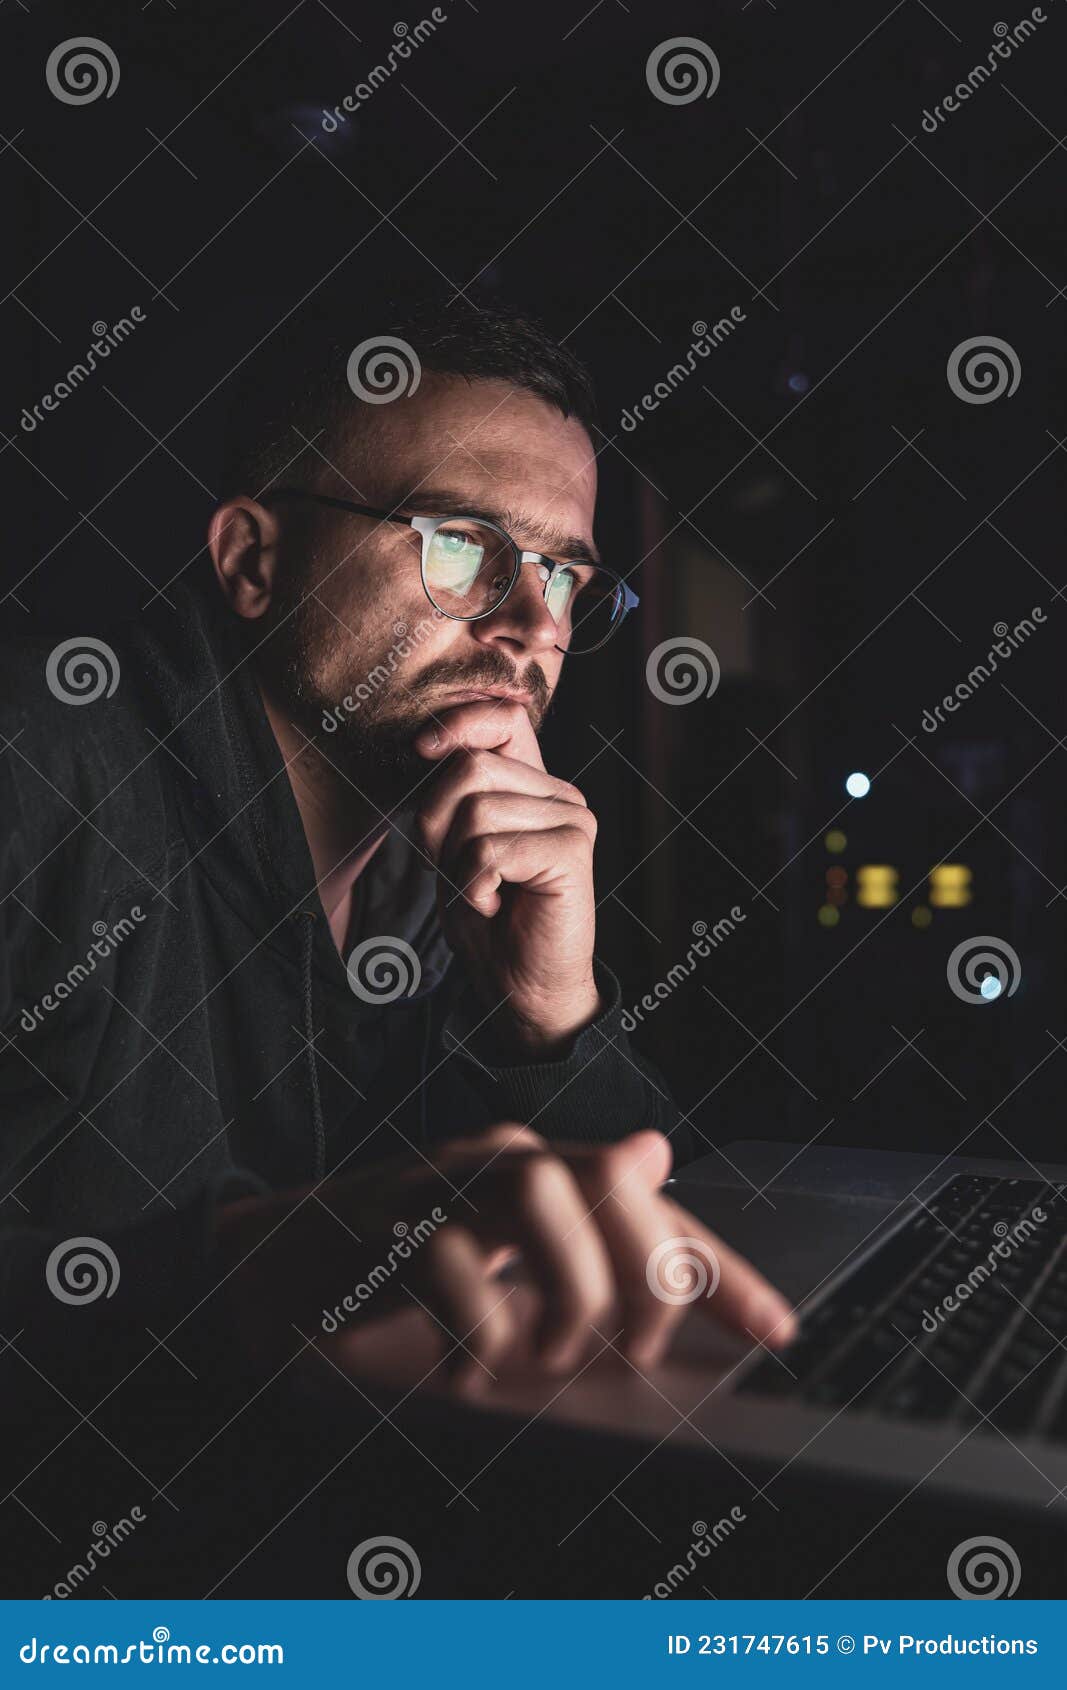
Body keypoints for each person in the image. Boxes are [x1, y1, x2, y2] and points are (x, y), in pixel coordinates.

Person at [0, 295, 794, 1414]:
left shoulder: (443, 872)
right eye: (463, 545)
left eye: (564, 574)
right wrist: (227, 1271)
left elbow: (673, 1271)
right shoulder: (36, 758)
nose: (535, 623)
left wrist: (549, 1017)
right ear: (253, 559)